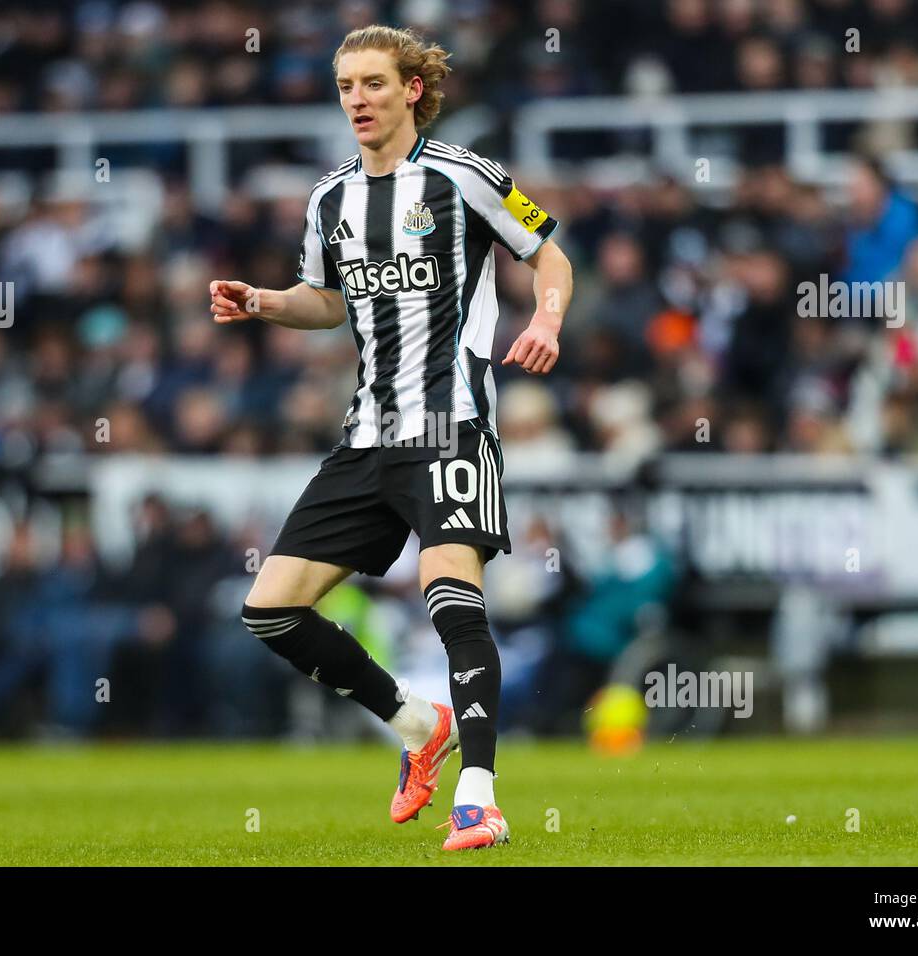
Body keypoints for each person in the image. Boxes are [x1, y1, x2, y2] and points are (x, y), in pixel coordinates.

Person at [209, 24, 573, 850]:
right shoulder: (329, 198)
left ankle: (478, 795)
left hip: (451, 424)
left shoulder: (466, 176)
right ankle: (418, 725)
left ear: (412, 88)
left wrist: (548, 319)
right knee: (269, 611)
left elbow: (550, 254)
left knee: (450, 595)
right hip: (367, 436)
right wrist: (264, 302)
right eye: (345, 87)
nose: (357, 101)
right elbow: (325, 299)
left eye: (373, 84)